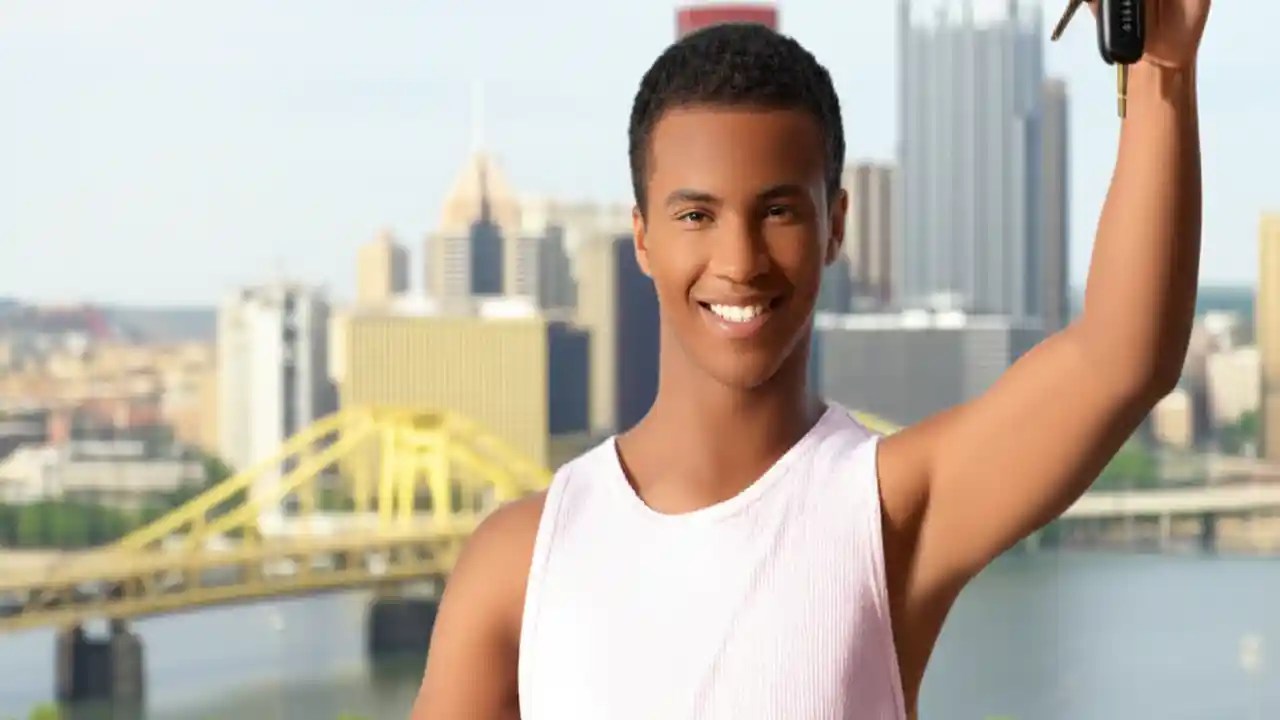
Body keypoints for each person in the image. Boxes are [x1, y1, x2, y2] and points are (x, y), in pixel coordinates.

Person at [412, 1, 1210, 717]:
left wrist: (1160, 69)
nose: (739, 259)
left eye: (779, 211)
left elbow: (1122, 355)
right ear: (643, 236)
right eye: (696, 214)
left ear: (836, 224)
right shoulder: (518, 562)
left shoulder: (886, 512)